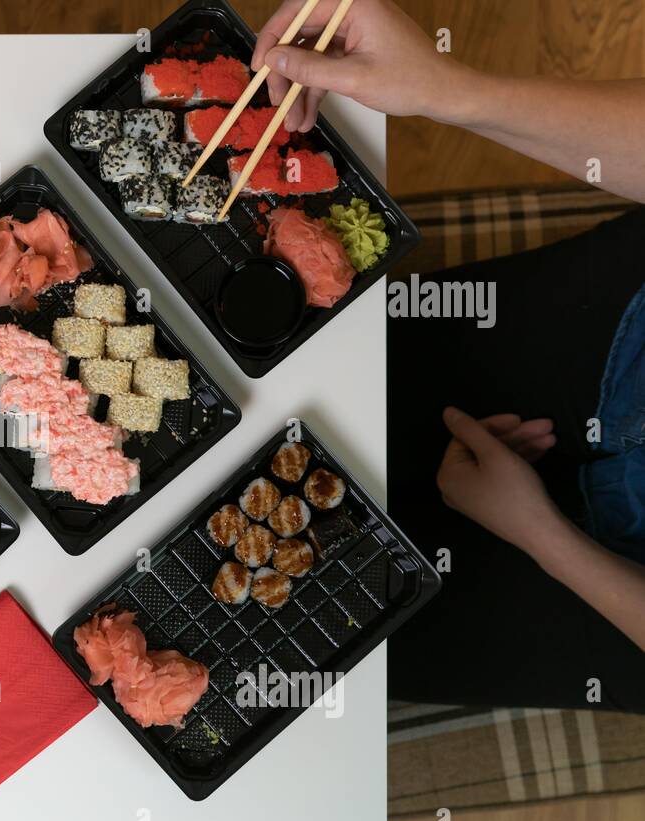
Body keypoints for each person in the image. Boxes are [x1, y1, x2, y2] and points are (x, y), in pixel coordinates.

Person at [252, 0, 645, 710]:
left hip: (616, 586)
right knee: (298, 355)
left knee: (280, 635)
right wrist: (445, 88)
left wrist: (541, 535)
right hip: (630, 336)